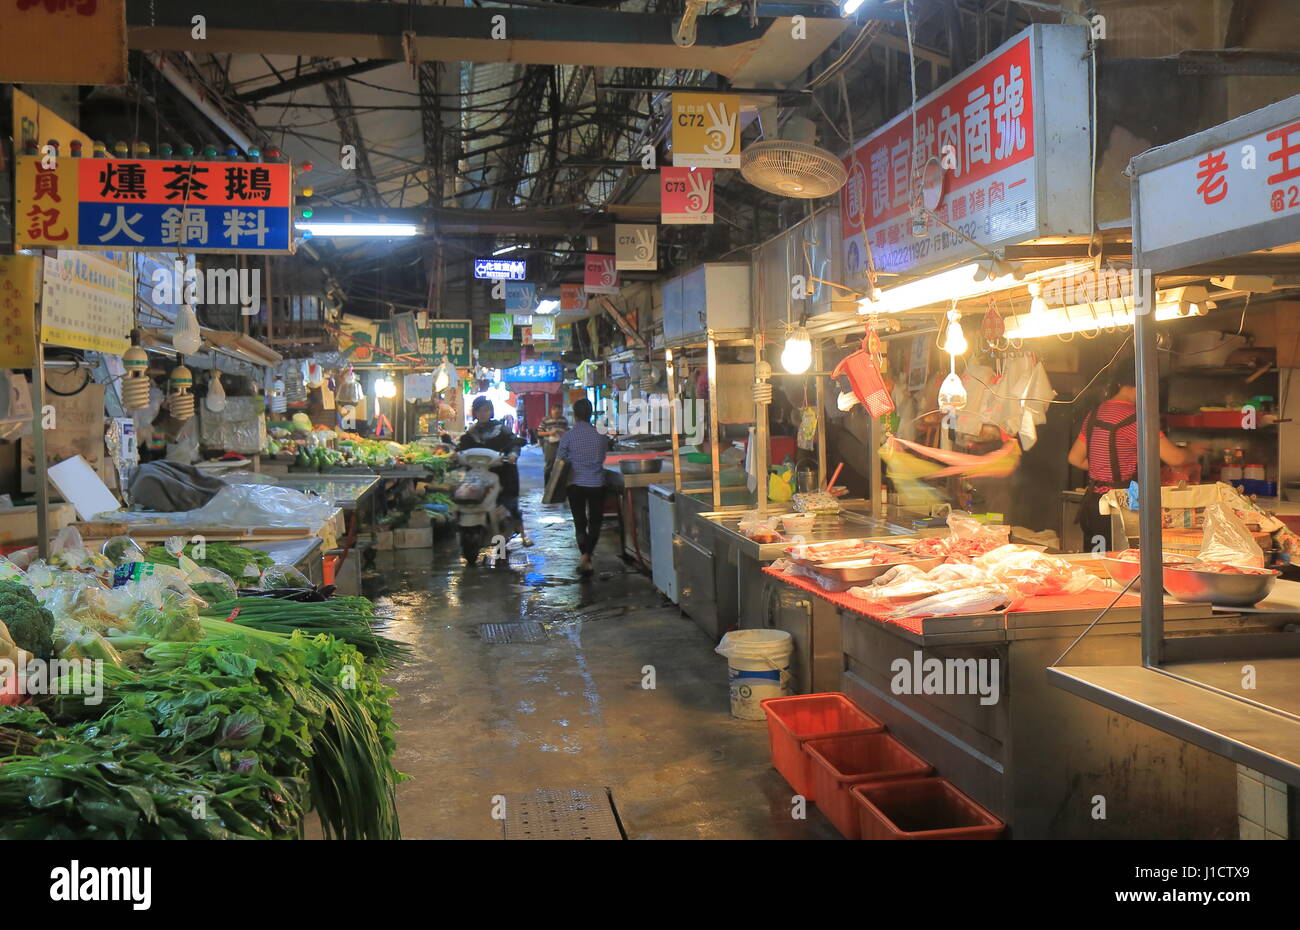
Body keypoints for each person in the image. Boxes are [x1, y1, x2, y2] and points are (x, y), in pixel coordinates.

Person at [1067, 368, 1207, 551]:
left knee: (1098, 565)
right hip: (1122, 508)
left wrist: (1104, 471)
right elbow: (1175, 458)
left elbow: (1075, 458)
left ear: (1118, 384)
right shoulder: (1136, 418)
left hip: (1094, 504)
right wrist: (1193, 451)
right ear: (1144, 386)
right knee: (1126, 568)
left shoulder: (1095, 414)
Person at [458, 396, 531, 545]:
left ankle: (523, 533)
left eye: (486, 410)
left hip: (502, 474)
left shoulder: (501, 429)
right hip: (478, 475)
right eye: (479, 410)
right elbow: (461, 448)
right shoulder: (471, 433)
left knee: (510, 504)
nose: (483, 413)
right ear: (475, 413)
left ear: (491, 411)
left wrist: (512, 454)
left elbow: (514, 443)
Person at [556, 398, 610, 574]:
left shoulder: (568, 435)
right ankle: (587, 556)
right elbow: (602, 457)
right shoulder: (600, 435)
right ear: (591, 414)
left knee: (580, 522)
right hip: (596, 483)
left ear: (575, 415)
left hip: (575, 484)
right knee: (595, 521)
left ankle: (585, 558)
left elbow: (560, 460)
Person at [537, 403, 569, 481]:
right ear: (552, 410)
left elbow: (567, 431)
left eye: (560, 413)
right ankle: (547, 485)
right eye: (556, 413)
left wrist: (563, 433)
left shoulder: (563, 420)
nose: (558, 415)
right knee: (549, 464)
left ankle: (558, 486)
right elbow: (539, 432)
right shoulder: (545, 420)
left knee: (561, 464)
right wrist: (550, 433)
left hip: (561, 444)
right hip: (549, 444)